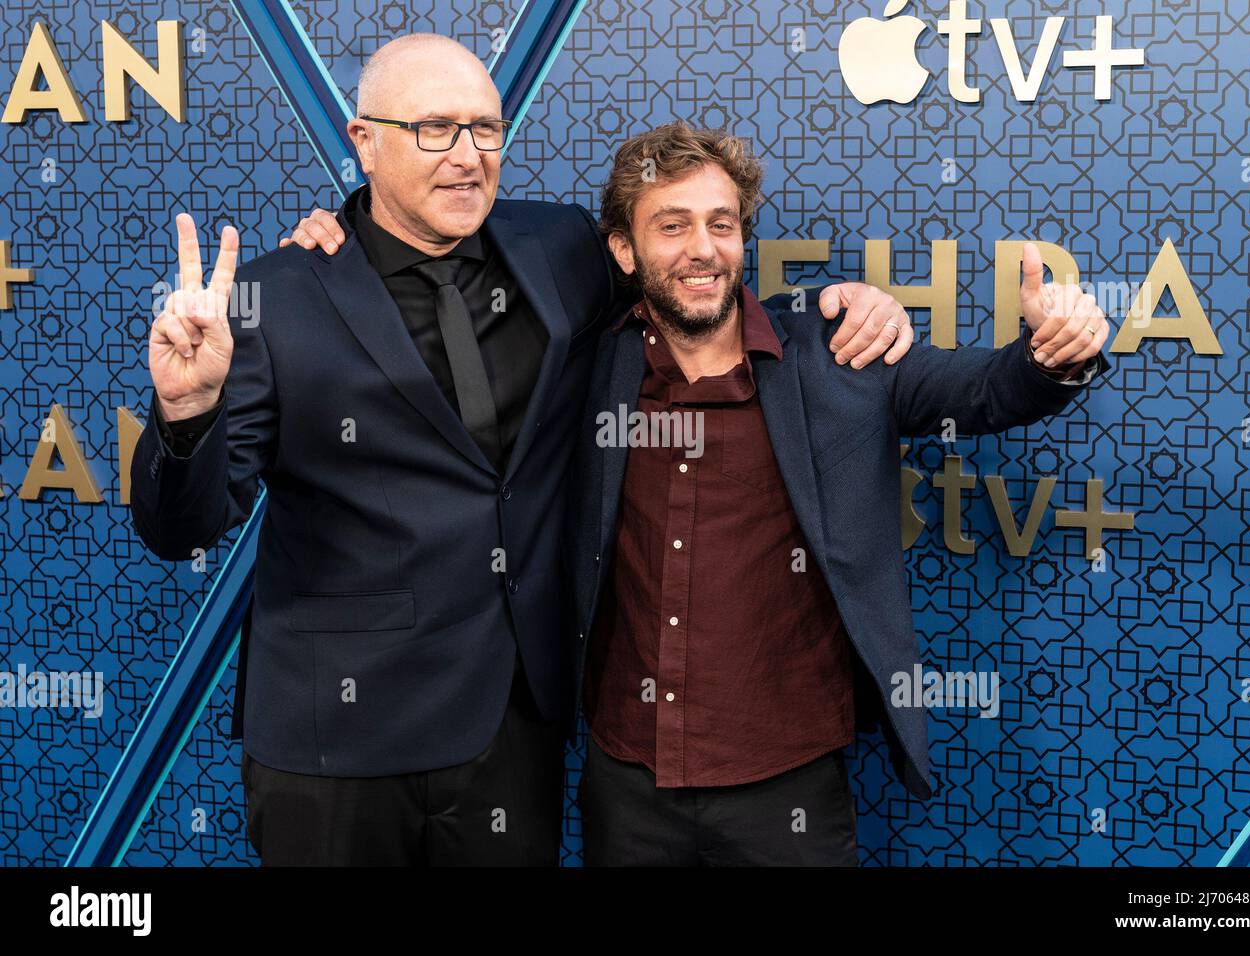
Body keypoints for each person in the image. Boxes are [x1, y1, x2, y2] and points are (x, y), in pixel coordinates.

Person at [133, 34, 908, 866]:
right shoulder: (273, 297)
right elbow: (185, 528)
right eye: (435, 129)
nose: (468, 156)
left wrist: (840, 312)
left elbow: (692, 288)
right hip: (337, 743)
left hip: (511, 733)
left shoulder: (562, 247)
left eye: (486, 129)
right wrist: (185, 413)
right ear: (364, 141)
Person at [566, 121, 1111, 866]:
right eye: (672, 225)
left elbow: (983, 391)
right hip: (625, 779)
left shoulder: (838, 356)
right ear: (625, 250)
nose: (702, 248)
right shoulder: (588, 368)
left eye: (721, 224)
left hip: (787, 788)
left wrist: (1050, 357)